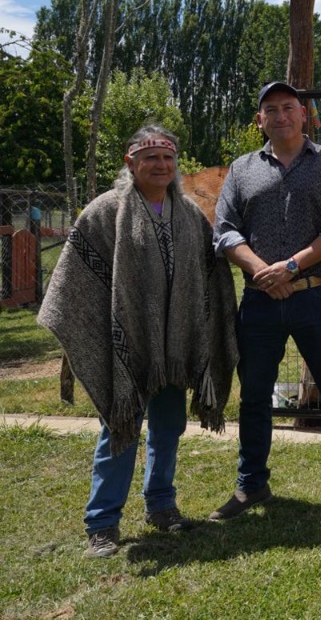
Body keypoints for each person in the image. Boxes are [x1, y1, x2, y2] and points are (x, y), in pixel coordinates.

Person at [38, 126, 238, 558]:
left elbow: (208, 276)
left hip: (175, 346)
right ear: (131, 163)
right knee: (119, 429)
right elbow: (76, 279)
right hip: (123, 342)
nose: (160, 166)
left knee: (168, 428)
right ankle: (103, 523)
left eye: (167, 159)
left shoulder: (188, 215)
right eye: (150, 159)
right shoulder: (104, 212)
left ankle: (161, 505)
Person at [211, 81, 321, 519]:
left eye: (289, 107)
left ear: (303, 115)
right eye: (271, 109)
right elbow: (225, 231)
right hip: (259, 302)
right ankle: (251, 486)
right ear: (259, 119)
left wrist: (289, 268)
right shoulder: (242, 168)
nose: (281, 115)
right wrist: (261, 272)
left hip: (314, 297)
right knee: (253, 397)